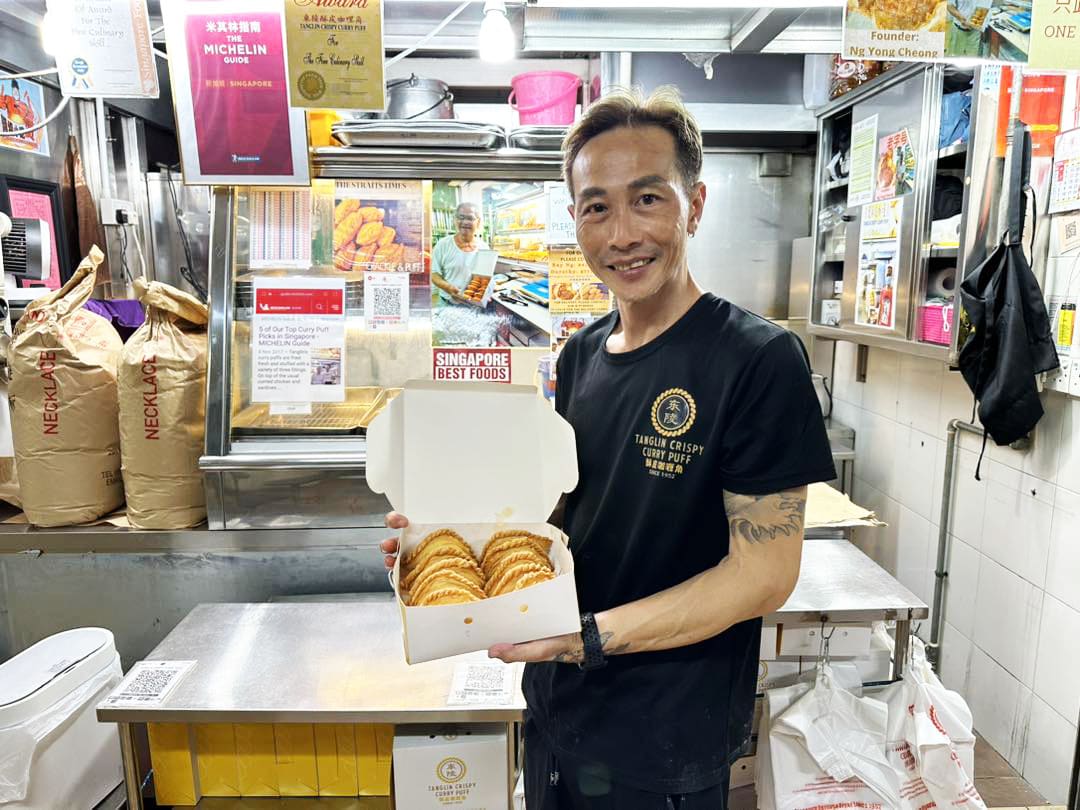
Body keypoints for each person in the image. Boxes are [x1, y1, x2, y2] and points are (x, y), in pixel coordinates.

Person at [383, 87, 835, 809]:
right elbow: (567, 511)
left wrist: (586, 637)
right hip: (559, 711)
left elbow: (763, 575)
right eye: (597, 207)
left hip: (665, 741)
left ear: (695, 202)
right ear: (576, 221)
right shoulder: (584, 350)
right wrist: (454, 535)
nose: (622, 233)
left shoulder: (757, 358)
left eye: (647, 199)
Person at [431, 201, 488, 304]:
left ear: (478, 222)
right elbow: (434, 274)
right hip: (447, 303)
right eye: (461, 217)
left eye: (470, 218)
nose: (465, 222)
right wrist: (448, 288)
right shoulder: (443, 245)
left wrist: (486, 291)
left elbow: (484, 277)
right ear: (455, 220)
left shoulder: (484, 248)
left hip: (474, 304)